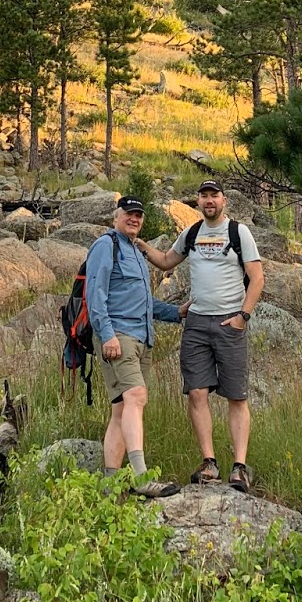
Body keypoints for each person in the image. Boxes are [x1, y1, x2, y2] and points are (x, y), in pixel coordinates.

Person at [137, 179, 264, 492]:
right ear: (198, 201)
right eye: (204, 196)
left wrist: (242, 317)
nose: (209, 201)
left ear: (223, 201)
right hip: (196, 323)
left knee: (236, 395)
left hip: (229, 323)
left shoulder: (238, 232)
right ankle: (209, 463)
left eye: (214, 196)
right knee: (196, 392)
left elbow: (257, 277)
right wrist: (139, 245)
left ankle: (239, 467)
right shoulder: (191, 233)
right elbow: (167, 260)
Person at [85, 195, 185, 499]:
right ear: (116, 216)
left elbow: (143, 303)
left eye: (139, 215)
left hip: (142, 337)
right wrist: (107, 334)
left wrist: (176, 313)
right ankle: (141, 478)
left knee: (120, 409)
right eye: (129, 213)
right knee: (136, 396)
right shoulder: (107, 245)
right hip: (118, 336)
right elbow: (95, 293)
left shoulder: (136, 252)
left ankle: (110, 487)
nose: (134, 218)